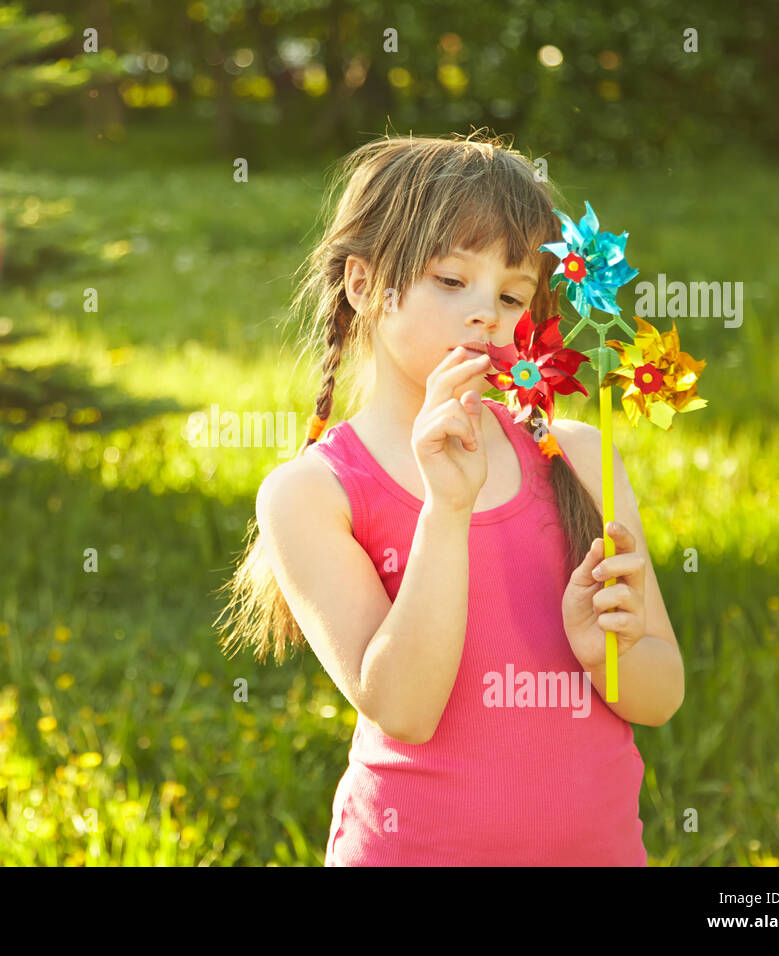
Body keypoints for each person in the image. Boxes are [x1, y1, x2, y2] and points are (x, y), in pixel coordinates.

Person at [215, 131, 685, 866]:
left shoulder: (577, 455)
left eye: (510, 294)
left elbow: (659, 697)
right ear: (365, 285)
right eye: (451, 280)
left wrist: (607, 656)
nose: (486, 316)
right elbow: (404, 707)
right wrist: (446, 510)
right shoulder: (311, 493)